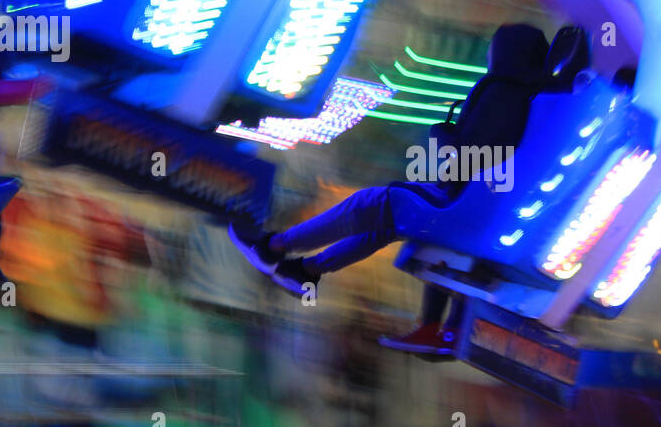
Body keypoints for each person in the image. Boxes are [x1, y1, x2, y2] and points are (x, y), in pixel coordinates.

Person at [230, 23, 551, 352]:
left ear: (507, 52)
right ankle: (307, 270)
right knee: (388, 222)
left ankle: (275, 248)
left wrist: (442, 135)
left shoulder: (501, 92)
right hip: (481, 204)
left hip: (462, 201)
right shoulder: (529, 97)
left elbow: (468, 152)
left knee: (374, 203)